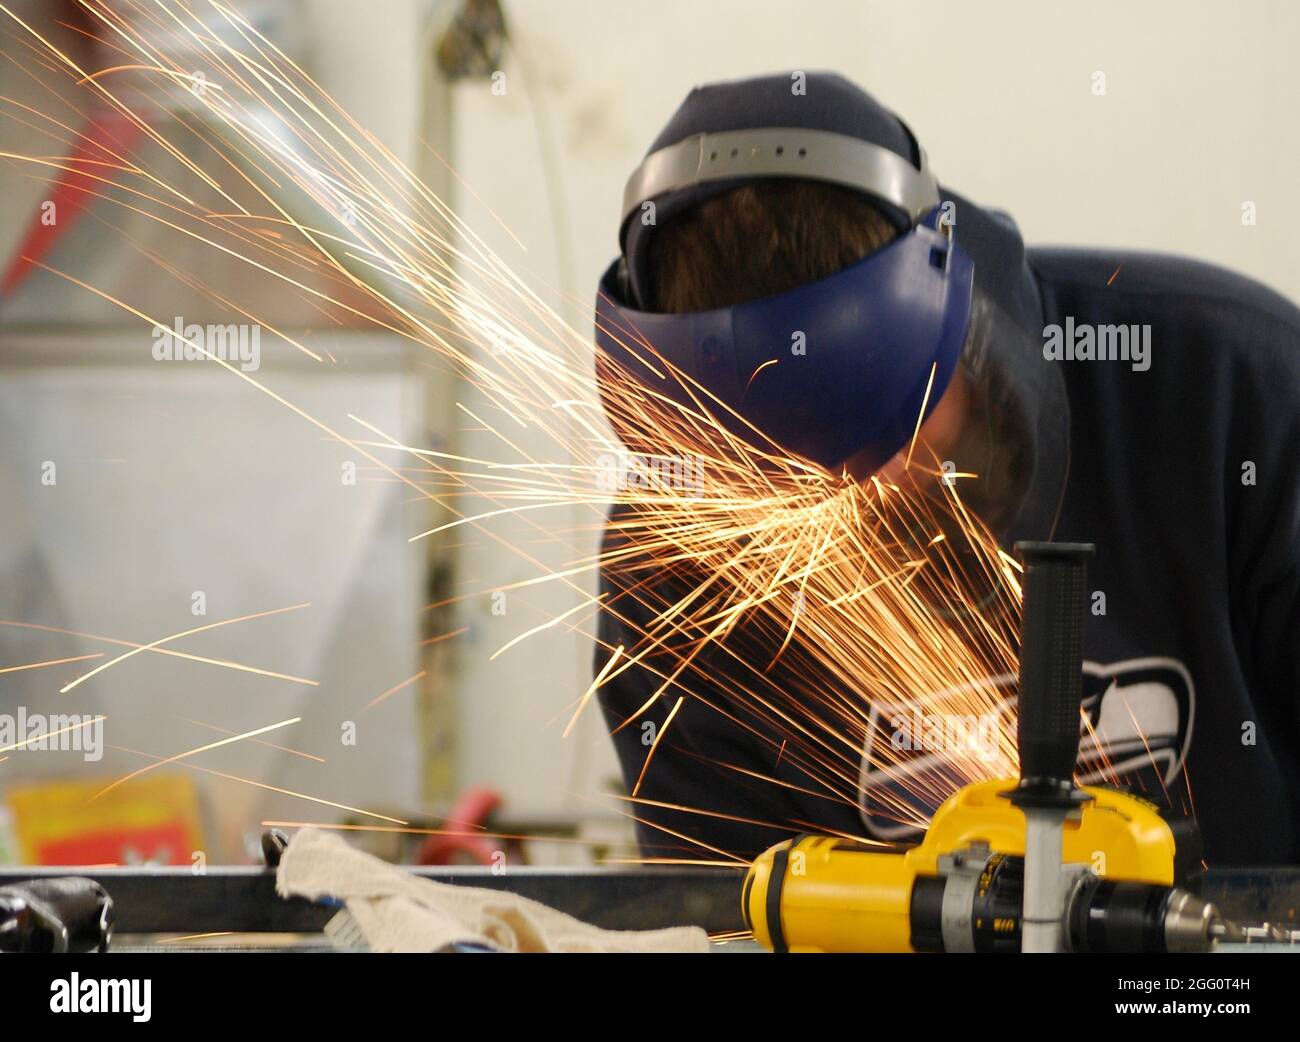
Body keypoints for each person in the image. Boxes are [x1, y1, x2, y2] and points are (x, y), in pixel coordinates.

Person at [593, 72, 1300, 866]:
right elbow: (729, 919)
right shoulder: (678, 561)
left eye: (879, 431)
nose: (853, 506)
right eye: (788, 488)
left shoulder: (1238, 393)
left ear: (955, 316)